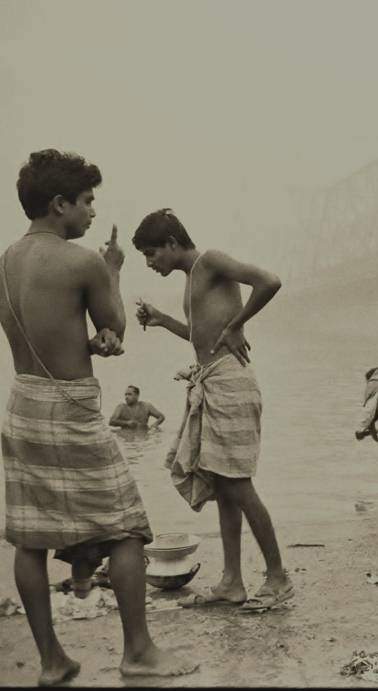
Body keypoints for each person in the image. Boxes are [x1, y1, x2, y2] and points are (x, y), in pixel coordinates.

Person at [0, 150, 196, 684]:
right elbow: (115, 327)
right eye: (86, 202)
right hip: (72, 405)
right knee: (126, 528)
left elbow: (48, 333)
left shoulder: (6, 260)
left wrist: (90, 342)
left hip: (22, 401)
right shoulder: (81, 260)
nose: (91, 213)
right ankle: (139, 653)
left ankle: (51, 662)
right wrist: (111, 268)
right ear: (59, 203)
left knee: (30, 538)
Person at [132, 209, 293, 611]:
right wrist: (162, 320)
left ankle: (278, 577)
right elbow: (201, 334)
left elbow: (269, 281)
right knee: (223, 487)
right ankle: (232, 582)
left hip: (231, 382)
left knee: (238, 484)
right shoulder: (192, 279)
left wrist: (239, 324)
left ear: (171, 243)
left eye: (152, 254)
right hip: (212, 380)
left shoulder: (212, 260)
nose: (150, 263)